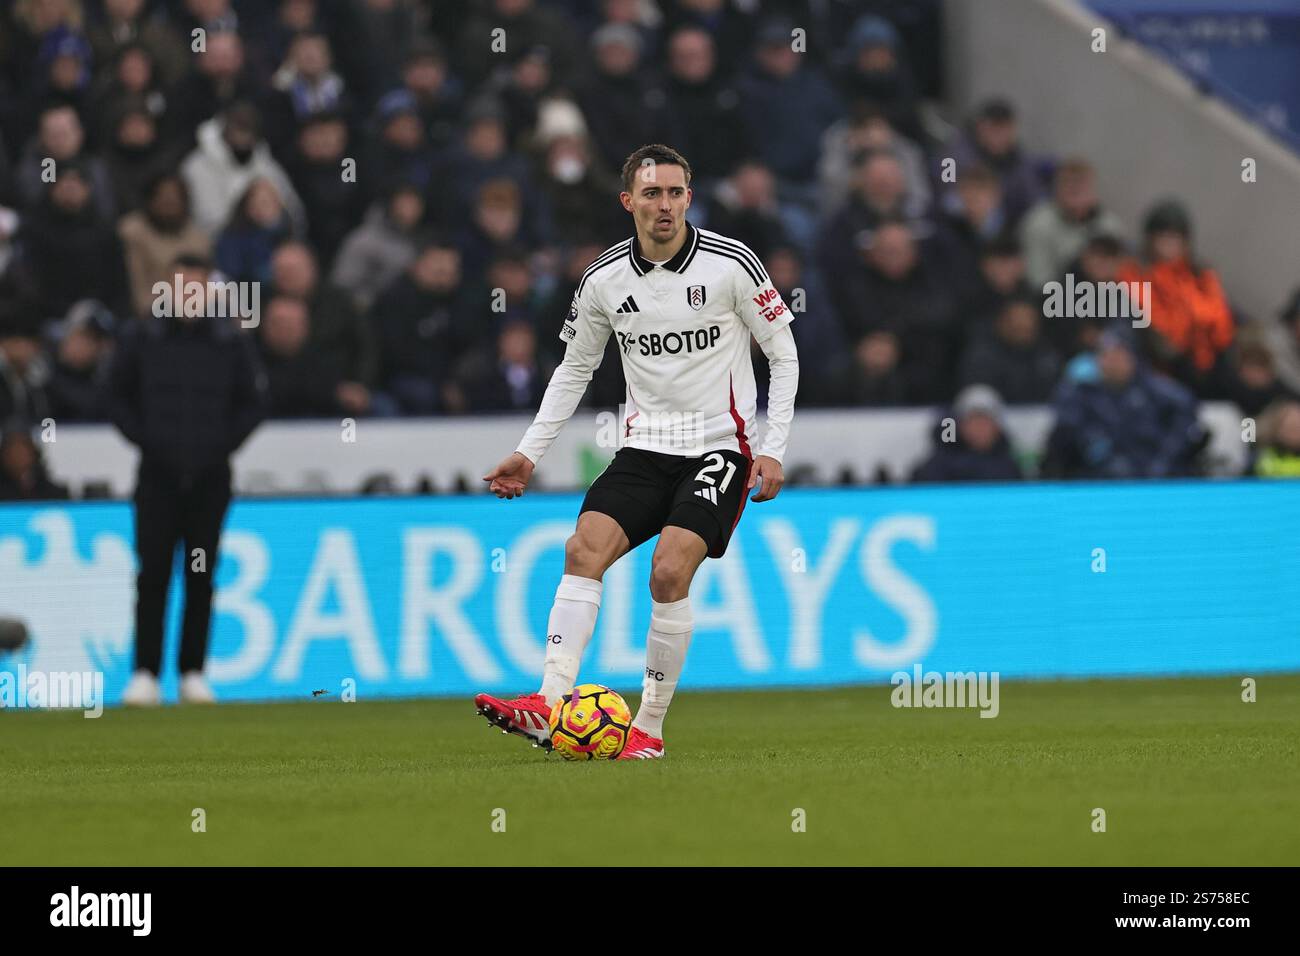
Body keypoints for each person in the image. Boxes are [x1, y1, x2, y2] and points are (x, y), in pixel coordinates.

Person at [475, 144, 799, 759]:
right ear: (629, 202)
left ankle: (647, 729)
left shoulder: (733, 265)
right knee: (581, 549)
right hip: (644, 447)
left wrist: (773, 448)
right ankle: (546, 704)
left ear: (689, 199)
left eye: (676, 193)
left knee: (670, 570)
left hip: (718, 449)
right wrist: (528, 452)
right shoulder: (603, 280)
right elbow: (574, 368)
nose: (665, 206)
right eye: (652, 194)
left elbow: (783, 354)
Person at [107, 254, 268, 706]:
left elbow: (254, 403)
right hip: (156, 477)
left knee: (201, 575)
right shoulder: (142, 338)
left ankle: (193, 671)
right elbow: (115, 396)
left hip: (209, 480)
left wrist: (220, 445)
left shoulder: (230, 344)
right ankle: (145, 673)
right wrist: (148, 440)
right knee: (153, 574)